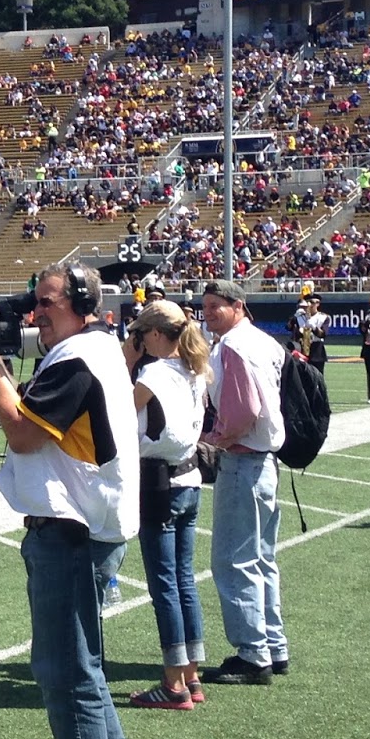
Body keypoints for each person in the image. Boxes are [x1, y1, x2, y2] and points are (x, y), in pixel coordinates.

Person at [0, 262, 147, 739]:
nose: (34, 312)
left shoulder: (75, 358)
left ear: (82, 302)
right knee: (83, 670)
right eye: (35, 302)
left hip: (72, 527)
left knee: (66, 677)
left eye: (46, 302)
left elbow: (21, 434)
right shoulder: (94, 350)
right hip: (90, 522)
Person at [122, 299, 210, 711]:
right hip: (190, 479)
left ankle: (174, 682)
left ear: (156, 335)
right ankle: (191, 674)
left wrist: (127, 360)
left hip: (159, 483)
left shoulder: (154, 373)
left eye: (142, 334)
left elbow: (117, 413)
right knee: (184, 581)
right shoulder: (195, 370)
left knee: (164, 587)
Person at [200, 278, 289, 685]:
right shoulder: (265, 342)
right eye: (206, 305)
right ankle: (274, 644)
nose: (208, 312)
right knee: (262, 557)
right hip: (266, 460)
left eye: (217, 305)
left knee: (234, 560)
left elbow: (243, 411)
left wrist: (216, 439)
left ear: (239, 305)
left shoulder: (233, 346)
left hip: (243, 459)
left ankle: (253, 655)